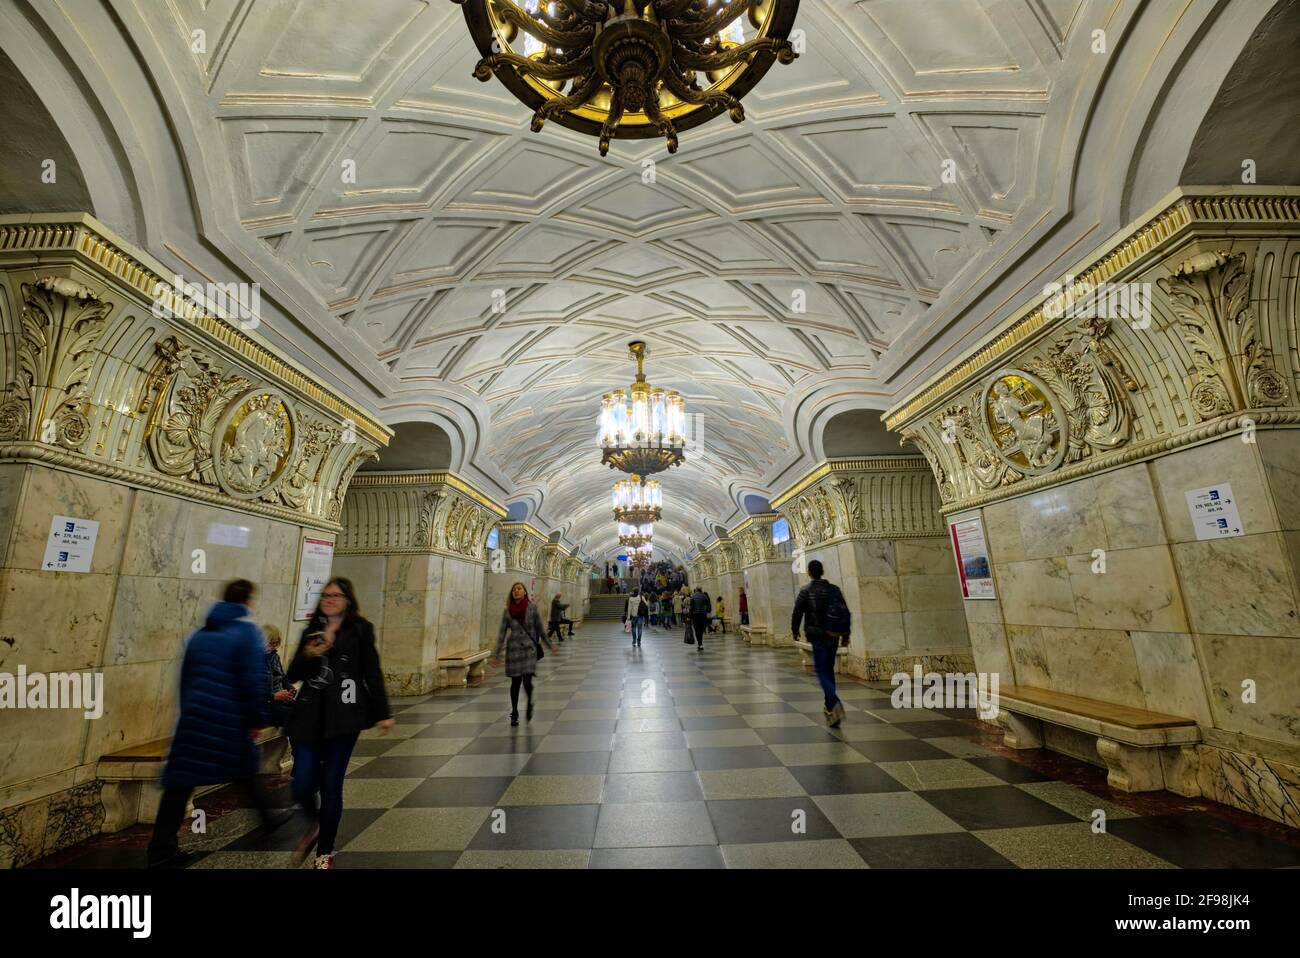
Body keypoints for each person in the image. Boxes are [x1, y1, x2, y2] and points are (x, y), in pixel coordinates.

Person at [148, 579, 288, 868]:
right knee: (244, 771)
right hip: (228, 719)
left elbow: (185, 680)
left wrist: (190, 713)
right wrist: (256, 718)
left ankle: (160, 850)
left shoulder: (200, 636)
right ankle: (268, 817)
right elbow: (251, 681)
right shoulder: (246, 634)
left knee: (180, 784)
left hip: (195, 719)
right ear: (247, 602)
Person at [285, 578, 393, 869]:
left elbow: (372, 671)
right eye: (326, 596)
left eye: (336, 595)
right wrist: (309, 655)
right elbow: (292, 673)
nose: (329, 600)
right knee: (303, 783)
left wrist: (383, 711)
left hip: (344, 718)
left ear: (348, 599)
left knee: (332, 783)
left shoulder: (360, 630)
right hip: (308, 717)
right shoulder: (312, 630)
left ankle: (324, 852)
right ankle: (314, 825)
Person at [791, 560, 852, 728]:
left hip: (817, 636)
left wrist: (794, 631)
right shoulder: (834, 590)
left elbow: (797, 613)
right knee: (828, 669)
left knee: (821, 671)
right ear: (822, 571)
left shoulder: (806, 591)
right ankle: (830, 707)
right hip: (833, 635)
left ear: (810, 573)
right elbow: (845, 612)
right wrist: (846, 634)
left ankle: (834, 702)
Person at [493, 582, 553, 726]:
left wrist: (549, 644)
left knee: (527, 681)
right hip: (514, 650)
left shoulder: (532, 608)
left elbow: (539, 627)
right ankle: (514, 712)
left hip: (528, 650)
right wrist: (496, 654)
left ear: (525, 592)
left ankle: (529, 703)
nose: (516, 591)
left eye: (519, 589)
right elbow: (501, 634)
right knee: (515, 683)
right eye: (514, 589)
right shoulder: (508, 611)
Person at [263, 624, 295, 727]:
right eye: (269, 643)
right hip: (267, 706)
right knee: (295, 717)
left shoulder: (274, 656)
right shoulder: (255, 660)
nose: (271, 648)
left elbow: (282, 676)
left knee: (304, 709)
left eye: (274, 644)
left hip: (280, 700)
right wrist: (275, 696)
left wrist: (290, 688)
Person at [689, 586, 712, 653]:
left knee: (697, 629)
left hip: (695, 615)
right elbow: (708, 604)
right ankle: (700, 643)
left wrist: (689, 616)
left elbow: (691, 607)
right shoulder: (704, 596)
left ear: (696, 590)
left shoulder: (693, 596)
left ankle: (700, 644)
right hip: (703, 615)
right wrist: (706, 611)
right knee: (701, 629)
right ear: (701, 590)